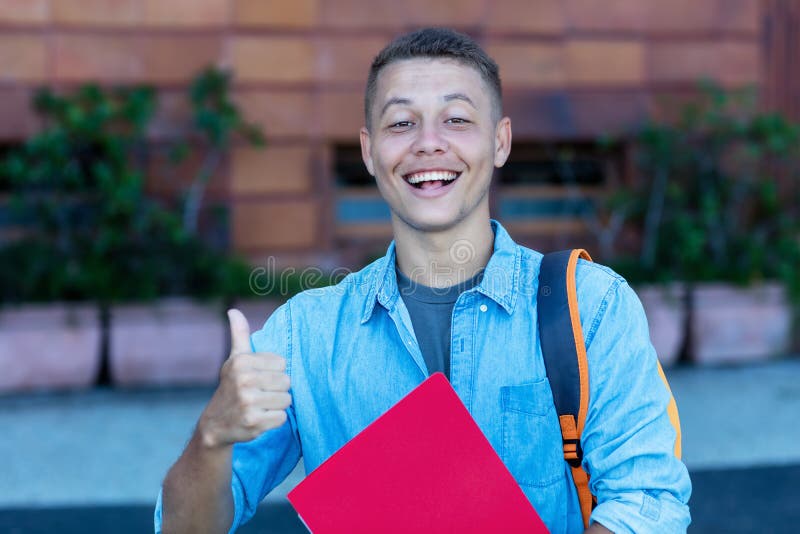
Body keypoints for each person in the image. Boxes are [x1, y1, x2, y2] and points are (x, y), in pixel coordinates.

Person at [156, 28, 691, 533]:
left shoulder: (591, 306)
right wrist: (213, 436)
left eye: (456, 119)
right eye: (400, 123)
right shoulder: (304, 336)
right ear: (369, 151)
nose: (429, 143)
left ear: (500, 142)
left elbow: (648, 502)